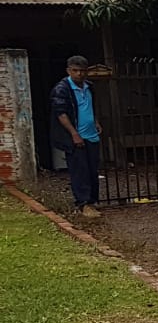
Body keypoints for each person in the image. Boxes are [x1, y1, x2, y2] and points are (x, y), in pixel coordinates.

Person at [50, 55, 103, 218]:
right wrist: (74, 134)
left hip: (91, 134)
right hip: (75, 136)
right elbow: (61, 113)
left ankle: (92, 202)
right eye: (75, 71)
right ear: (68, 71)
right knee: (80, 171)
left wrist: (96, 121)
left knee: (92, 170)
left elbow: (91, 106)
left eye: (82, 71)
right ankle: (83, 203)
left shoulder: (89, 86)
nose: (79, 74)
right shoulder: (62, 89)